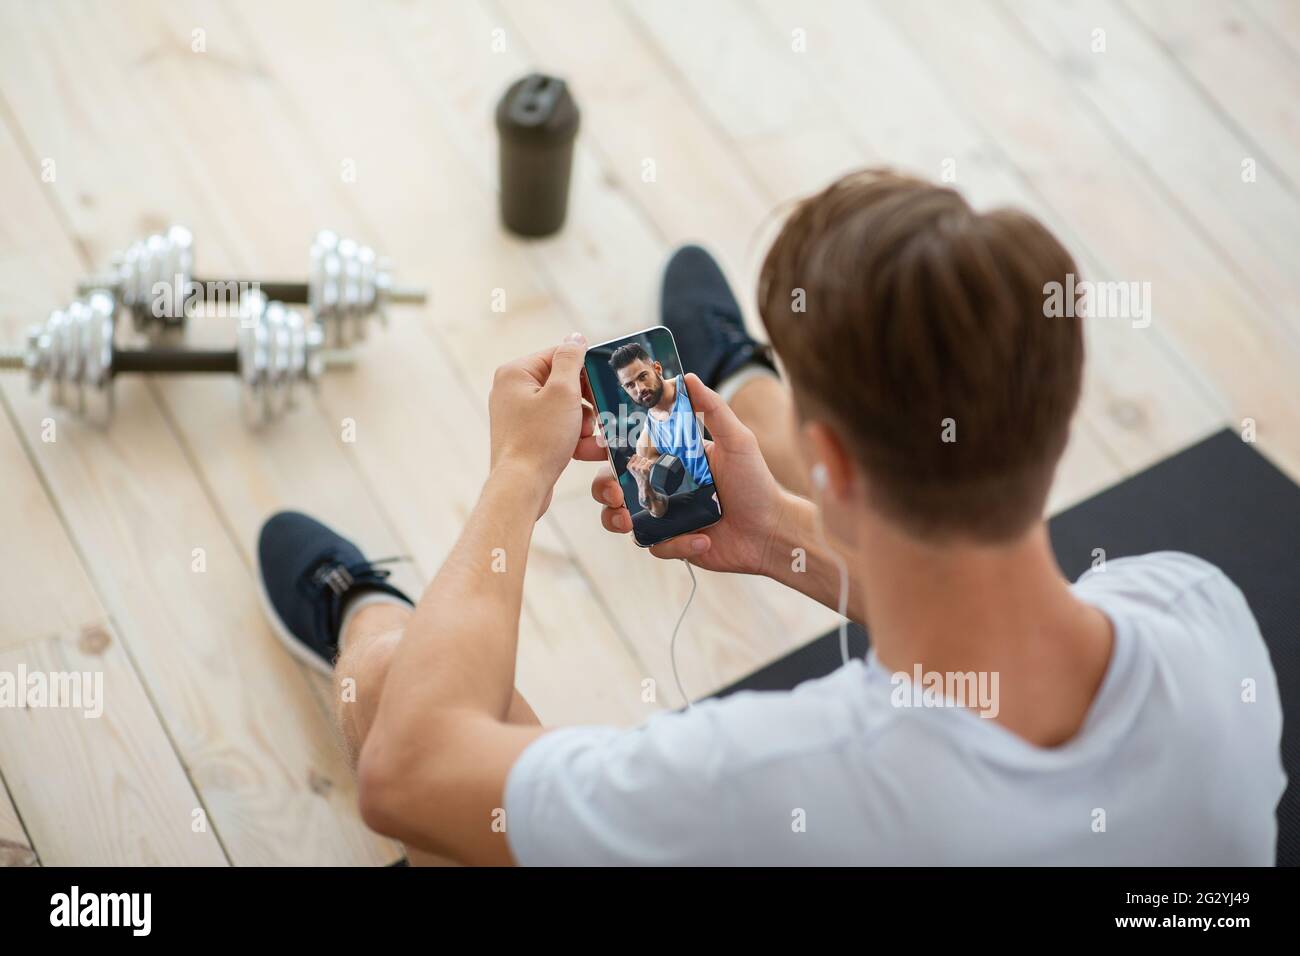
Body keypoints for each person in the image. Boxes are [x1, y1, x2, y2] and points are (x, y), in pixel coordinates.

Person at [257, 168, 1285, 865]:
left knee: (400, 685)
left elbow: (408, 773)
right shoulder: (1198, 612)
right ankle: (747, 376)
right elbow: (986, 640)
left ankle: (365, 611)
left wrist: (517, 474)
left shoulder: (770, 782)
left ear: (832, 457)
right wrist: (784, 534)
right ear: (1057, 420)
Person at [606, 341, 720, 539]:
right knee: (640, 527)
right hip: (708, 492)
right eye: (630, 385)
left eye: (643, 377)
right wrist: (643, 484)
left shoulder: (690, 387)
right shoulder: (647, 439)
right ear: (624, 390)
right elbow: (659, 509)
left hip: (730, 472)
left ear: (656, 369)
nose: (640, 388)